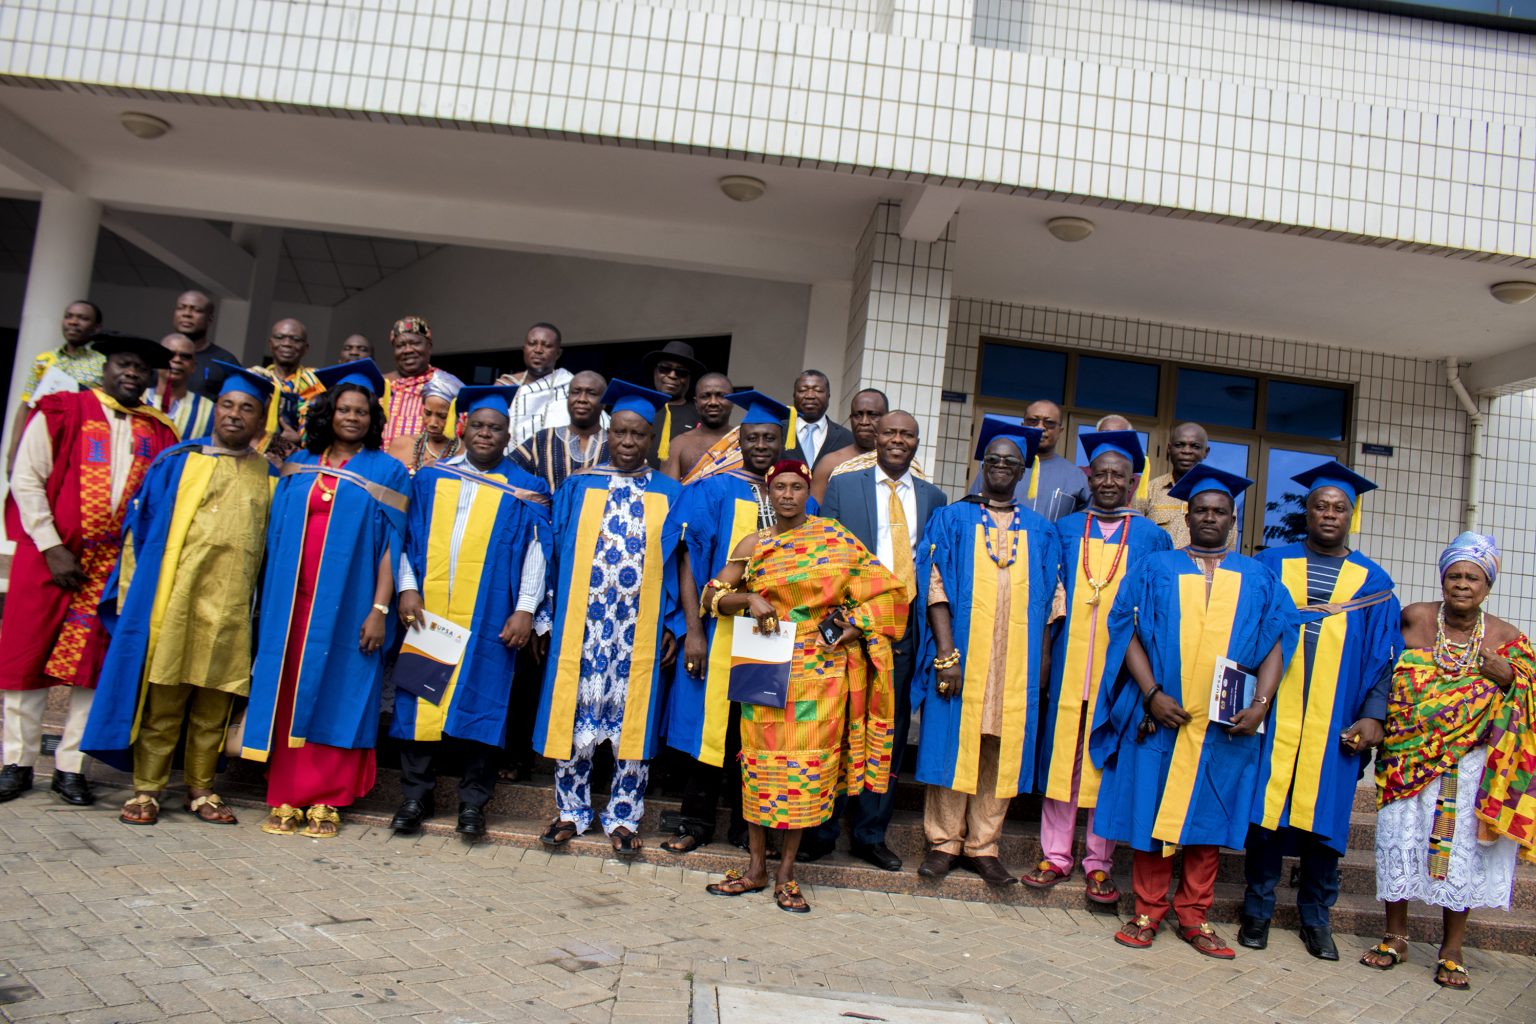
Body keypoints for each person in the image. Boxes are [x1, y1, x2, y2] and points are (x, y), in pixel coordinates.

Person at [1088, 464, 1295, 959]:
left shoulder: (1258, 577)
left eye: (1219, 511)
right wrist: (1151, 693)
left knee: (1208, 820)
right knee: (1152, 811)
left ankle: (1194, 916)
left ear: (1233, 519)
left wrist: (1261, 705)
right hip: (1162, 718)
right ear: (1187, 516)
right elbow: (1124, 629)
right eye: (1200, 509)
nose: (1209, 517)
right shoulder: (1155, 568)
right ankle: (1147, 910)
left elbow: (1277, 641)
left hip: (1224, 725)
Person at [700, 459, 907, 912]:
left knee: (807, 771)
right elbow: (711, 595)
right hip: (765, 661)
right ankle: (756, 868)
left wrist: (854, 625)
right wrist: (748, 597)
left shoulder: (834, 538)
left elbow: (890, 592)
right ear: (769, 493)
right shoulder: (755, 544)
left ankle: (787, 875)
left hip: (820, 670)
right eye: (780, 487)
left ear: (808, 491)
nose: (788, 495)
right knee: (760, 767)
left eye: (797, 487)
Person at [81, 364, 275, 826]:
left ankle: (201, 789)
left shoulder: (271, 476)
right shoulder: (178, 462)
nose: (234, 414)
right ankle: (147, 790)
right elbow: (141, 532)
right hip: (176, 602)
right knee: (164, 701)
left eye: (246, 408)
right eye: (227, 405)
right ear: (216, 410)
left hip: (233, 611)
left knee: (214, 704)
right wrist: (132, 600)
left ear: (260, 420)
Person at [0, 334, 178, 807]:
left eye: (141, 368)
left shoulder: (161, 432)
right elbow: (27, 478)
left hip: (113, 570)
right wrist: (51, 545)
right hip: (49, 556)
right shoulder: (63, 410)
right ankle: (16, 762)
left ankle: (71, 767)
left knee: (92, 669)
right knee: (26, 655)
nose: (132, 373)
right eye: (124, 364)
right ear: (105, 366)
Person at [1359, 533, 1536, 990]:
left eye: (1472, 578)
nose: (1462, 584)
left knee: (1459, 852)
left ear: (1487, 585)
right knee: (1398, 840)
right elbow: (1379, 667)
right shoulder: (1413, 618)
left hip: (1467, 763)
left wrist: (1509, 678)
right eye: (1454, 575)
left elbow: (1530, 696)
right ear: (1442, 580)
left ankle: (1452, 948)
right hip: (1404, 758)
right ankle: (1395, 937)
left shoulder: (1508, 638)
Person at [241, 359, 408, 838]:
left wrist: (379, 609)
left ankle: (329, 798)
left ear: (373, 419)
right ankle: (286, 793)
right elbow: (275, 535)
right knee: (289, 687)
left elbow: (392, 547)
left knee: (342, 689)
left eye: (361, 411)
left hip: (352, 605)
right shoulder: (299, 464)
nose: (352, 417)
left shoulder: (389, 471)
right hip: (293, 605)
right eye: (344, 409)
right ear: (329, 413)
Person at [1241, 462, 1401, 960]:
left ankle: (1316, 917)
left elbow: (1384, 658)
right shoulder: (1272, 564)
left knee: (1326, 818)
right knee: (1266, 814)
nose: (1330, 514)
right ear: (1306, 512)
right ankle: (1257, 910)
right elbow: (1243, 632)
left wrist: (1373, 715)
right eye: (1320, 506)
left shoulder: (1372, 582)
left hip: (1336, 721)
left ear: (1352, 515)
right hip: (1273, 716)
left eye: (1339, 508)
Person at [389, 385, 551, 840]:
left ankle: (473, 803)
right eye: (477, 425)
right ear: (463, 430)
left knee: (485, 702)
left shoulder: (526, 488)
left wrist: (525, 609)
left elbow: (538, 553)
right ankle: (415, 797)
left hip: (491, 612)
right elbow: (406, 539)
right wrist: (407, 588)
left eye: (494, 428)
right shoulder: (430, 479)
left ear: (508, 435)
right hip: (431, 609)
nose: (485, 433)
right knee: (420, 701)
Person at [533, 381, 681, 857]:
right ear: (607, 432)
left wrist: (674, 625)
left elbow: (683, 564)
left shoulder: (671, 493)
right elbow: (554, 553)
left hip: (639, 627)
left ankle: (623, 815)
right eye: (619, 432)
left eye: (638, 434)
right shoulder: (579, 486)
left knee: (633, 719)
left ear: (652, 439)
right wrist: (545, 616)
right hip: (582, 625)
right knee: (573, 711)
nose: (628, 442)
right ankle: (570, 811)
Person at [914, 423, 1059, 887]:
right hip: (962, 658)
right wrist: (946, 654)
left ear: (1022, 472)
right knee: (952, 743)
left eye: (1009, 462)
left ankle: (984, 845)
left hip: (1016, 664)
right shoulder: (951, 518)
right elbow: (934, 586)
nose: (1000, 467)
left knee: (1001, 746)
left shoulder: (1041, 530)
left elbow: (1053, 601)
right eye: (992, 460)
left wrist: (1042, 661)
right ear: (982, 466)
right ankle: (943, 842)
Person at [1029, 430, 1171, 899]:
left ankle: (1099, 862)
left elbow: (1158, 611)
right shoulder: (1065, 529)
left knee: (1106, 759)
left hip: (1120, 671)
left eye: (1119, 475)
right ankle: (1054, 856)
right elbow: (1048, 597)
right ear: (1089, 479)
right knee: (1062, 760)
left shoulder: (1152, 538)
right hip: (1068, 663)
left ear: (1132, 483)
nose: (1109, 482)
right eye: (1101, 474)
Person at [804, 411, 948, 870]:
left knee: (890, 731)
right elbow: (826, 557)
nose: (898, 440)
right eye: (890, 433)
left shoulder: (934, 498)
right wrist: (841, 619)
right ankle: (822, 831)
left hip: (902, 631)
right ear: (876, 439)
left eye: (907, 434)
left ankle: (870, 835)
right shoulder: (844, 487)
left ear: (917, 442)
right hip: (850, 627)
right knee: (839, 726)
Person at [660, 390, 794, 853]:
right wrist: (693, 631)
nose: (760, 446)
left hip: (771, 637)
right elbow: (686, 560)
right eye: (752, 437)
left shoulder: (793, 496)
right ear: (740, 440)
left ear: (781, 442)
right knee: (709, 726)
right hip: (718, 629)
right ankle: (694, 823)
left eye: (769, 438)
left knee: (756, 730)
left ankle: (745, 827)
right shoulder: (712, 489)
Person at [7, 300, 104, 473]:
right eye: (68, 316)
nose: (73, 322)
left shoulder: (104, 363)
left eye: (83, 318)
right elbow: (26, 405)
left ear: (96, 328)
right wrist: (12, 453)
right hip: (40, 440)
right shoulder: (44, 359)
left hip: (78, 445)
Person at [967, 400, 1087, 521]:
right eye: (1033, 421)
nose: (1040, 427)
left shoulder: (1076, 476)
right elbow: (970, 509)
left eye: (1049, 423)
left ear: (1060, 431)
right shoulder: (999, 467)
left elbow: (1085, 523)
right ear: (1023, 425)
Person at [510, 369, 609, 491]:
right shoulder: (542, 439)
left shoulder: (614, 444)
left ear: (604, 402)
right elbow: (508, 472)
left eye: (591, 393)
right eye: (575, 392)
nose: (582, 399)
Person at [1141, 422, 1235, 550]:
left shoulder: (1221, 496)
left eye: (1195, 446)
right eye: (1180, 445)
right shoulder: (1150, 490)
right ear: (1169, 449)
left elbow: (1227, 548)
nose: (1186, 451)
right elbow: (1136, 535)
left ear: (1206, 452)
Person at [381, 315, 463, 446]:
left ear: (429, 347)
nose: (408, 350)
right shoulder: (380, 385)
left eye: (415, 343)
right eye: (400, 345)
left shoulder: (447, 385)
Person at [250, 317, 325, 457]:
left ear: (305, 348)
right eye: (280, 337)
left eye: (295, 339)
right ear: (270, 344)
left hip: (300, 459)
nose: (287, 344)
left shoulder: (316, 383)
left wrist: (300, 438)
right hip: (254, 456)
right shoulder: (255, 379)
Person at [500, 322, 572, 448]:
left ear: (558, 353)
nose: (538, 350)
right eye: (532, 344)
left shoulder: (570, 386)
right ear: (524, 349)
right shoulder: (505, 386)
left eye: (547, 345)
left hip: (552, 456)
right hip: (508, 457)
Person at [812, 388, 888, 501]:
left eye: (873, 415)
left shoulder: (900, 464)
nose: (864, 422)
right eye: (858, 415)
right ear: (851, 419)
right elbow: (814, 509)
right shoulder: (829, 463)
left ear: (887, 419)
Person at [661, 372, 735, 483]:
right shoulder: (678, 444)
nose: (713, 402)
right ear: (696, 403)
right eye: (705, 396)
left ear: (732, 401)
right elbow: (667, 492)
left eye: (721, 396)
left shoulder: (742, 441)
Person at [642, 340, 706, 467]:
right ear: (655, 372)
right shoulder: (639, 410)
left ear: (689, 379)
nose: (672, 375)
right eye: (664, 369)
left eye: (681, 373)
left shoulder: (700, 416)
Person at [143, 334, 216, 440]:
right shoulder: (138, 398)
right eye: (169, 354)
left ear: (193, 367)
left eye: (185, 357)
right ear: (157, 360)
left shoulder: (209, 410)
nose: (177, 360)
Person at [385, 373, 461, 474]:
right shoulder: (400, 445)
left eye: (442, 416)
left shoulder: (464, 454)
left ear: (456, 417)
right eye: (427, 413)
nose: (432, 423)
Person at [781, 369, 852, 471]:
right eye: (802, 390)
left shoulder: (847, 438)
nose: (810, 396)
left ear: (828, 396)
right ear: (794, 396)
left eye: (818, 390)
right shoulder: (778, 431)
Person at [173, 291, 238, 399]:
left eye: (196, 310)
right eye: (181, 308)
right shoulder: (157, 354)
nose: (187, 314)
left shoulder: (225, 361)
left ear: (210, 318)